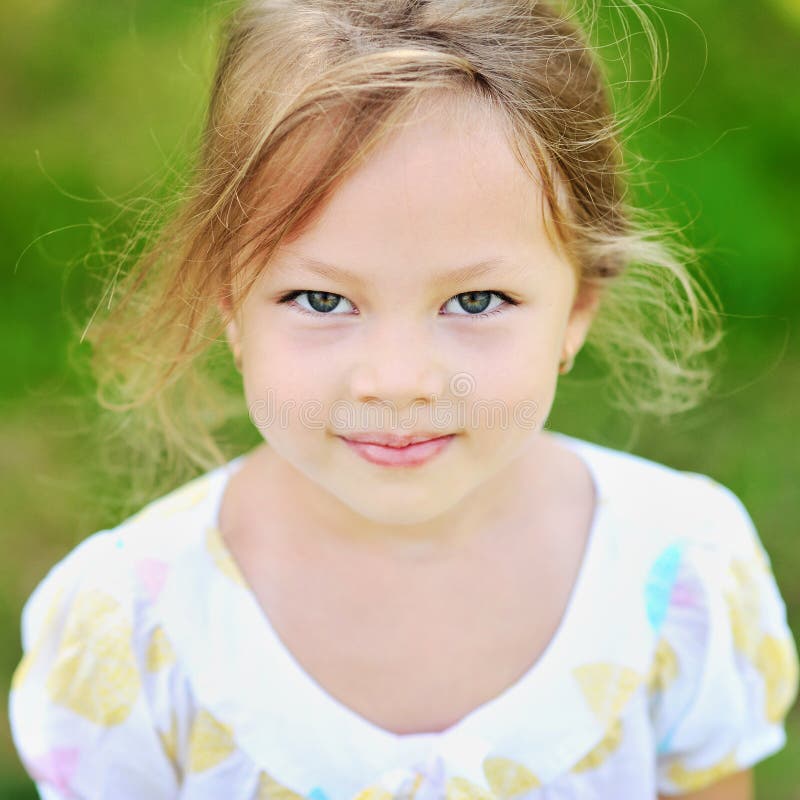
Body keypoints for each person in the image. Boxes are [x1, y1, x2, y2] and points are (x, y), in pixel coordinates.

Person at [9, 1, 799, 798]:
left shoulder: (680, 575)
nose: (396, 380)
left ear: (577, 309)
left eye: (476, 301)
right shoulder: (132, 628)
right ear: (230, 307)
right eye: (321, 300)